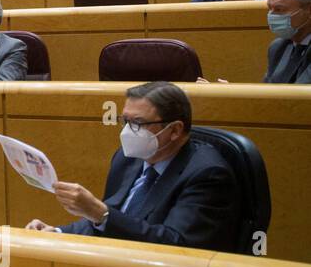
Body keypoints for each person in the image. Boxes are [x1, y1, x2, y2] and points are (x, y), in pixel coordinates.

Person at [25, 82, 240, 251]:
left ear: (174, 130)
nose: (127, 132)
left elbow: (177, 245)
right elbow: (106, 221)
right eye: (125, 121)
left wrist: (102, 214)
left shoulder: (208, 174)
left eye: (137, 123)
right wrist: (58, 233)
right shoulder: (129, 158)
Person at [262, 0, 311, 84]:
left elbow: (301, 95)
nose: (272, 15)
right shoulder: (278, 47)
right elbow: (268, 93)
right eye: (270, 8)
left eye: (279, 9)